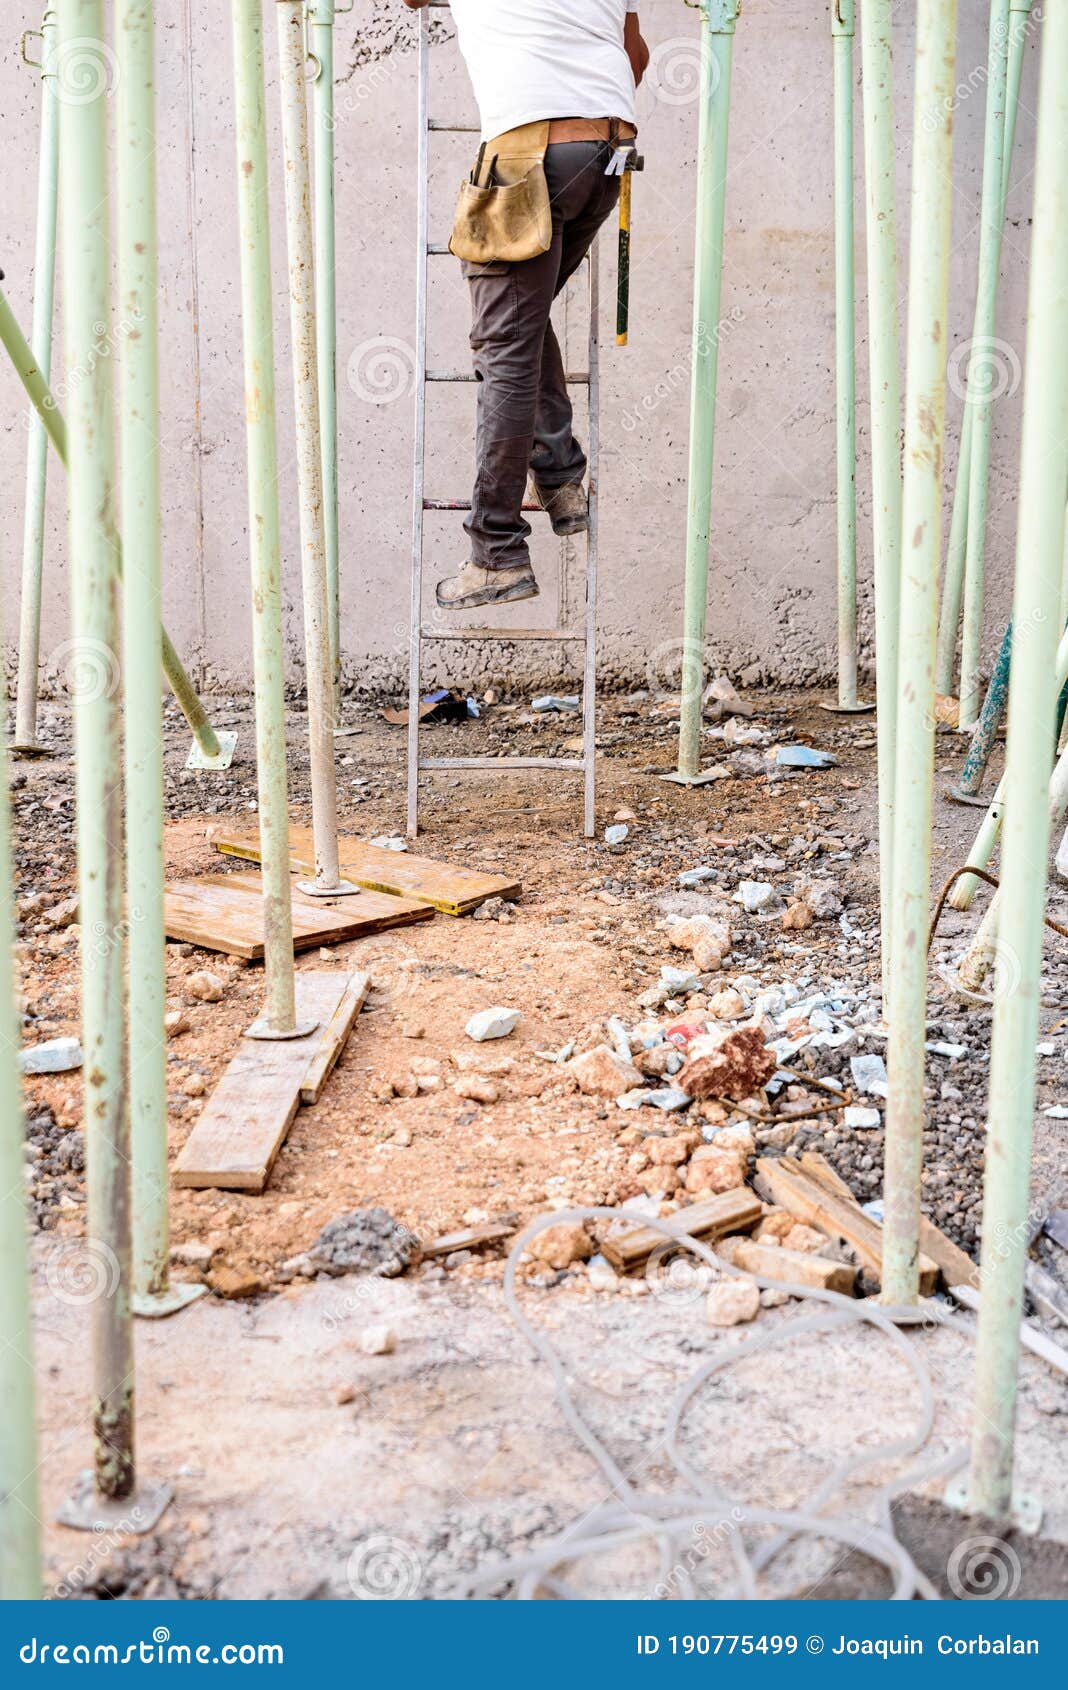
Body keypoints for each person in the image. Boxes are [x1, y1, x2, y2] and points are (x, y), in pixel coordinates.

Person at [402, 0, 649, 610]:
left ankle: (496, 550)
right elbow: (635, 55)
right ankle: (560, 474)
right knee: (520, 324)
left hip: (529, 153)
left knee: (504, 350)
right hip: (605, 151)